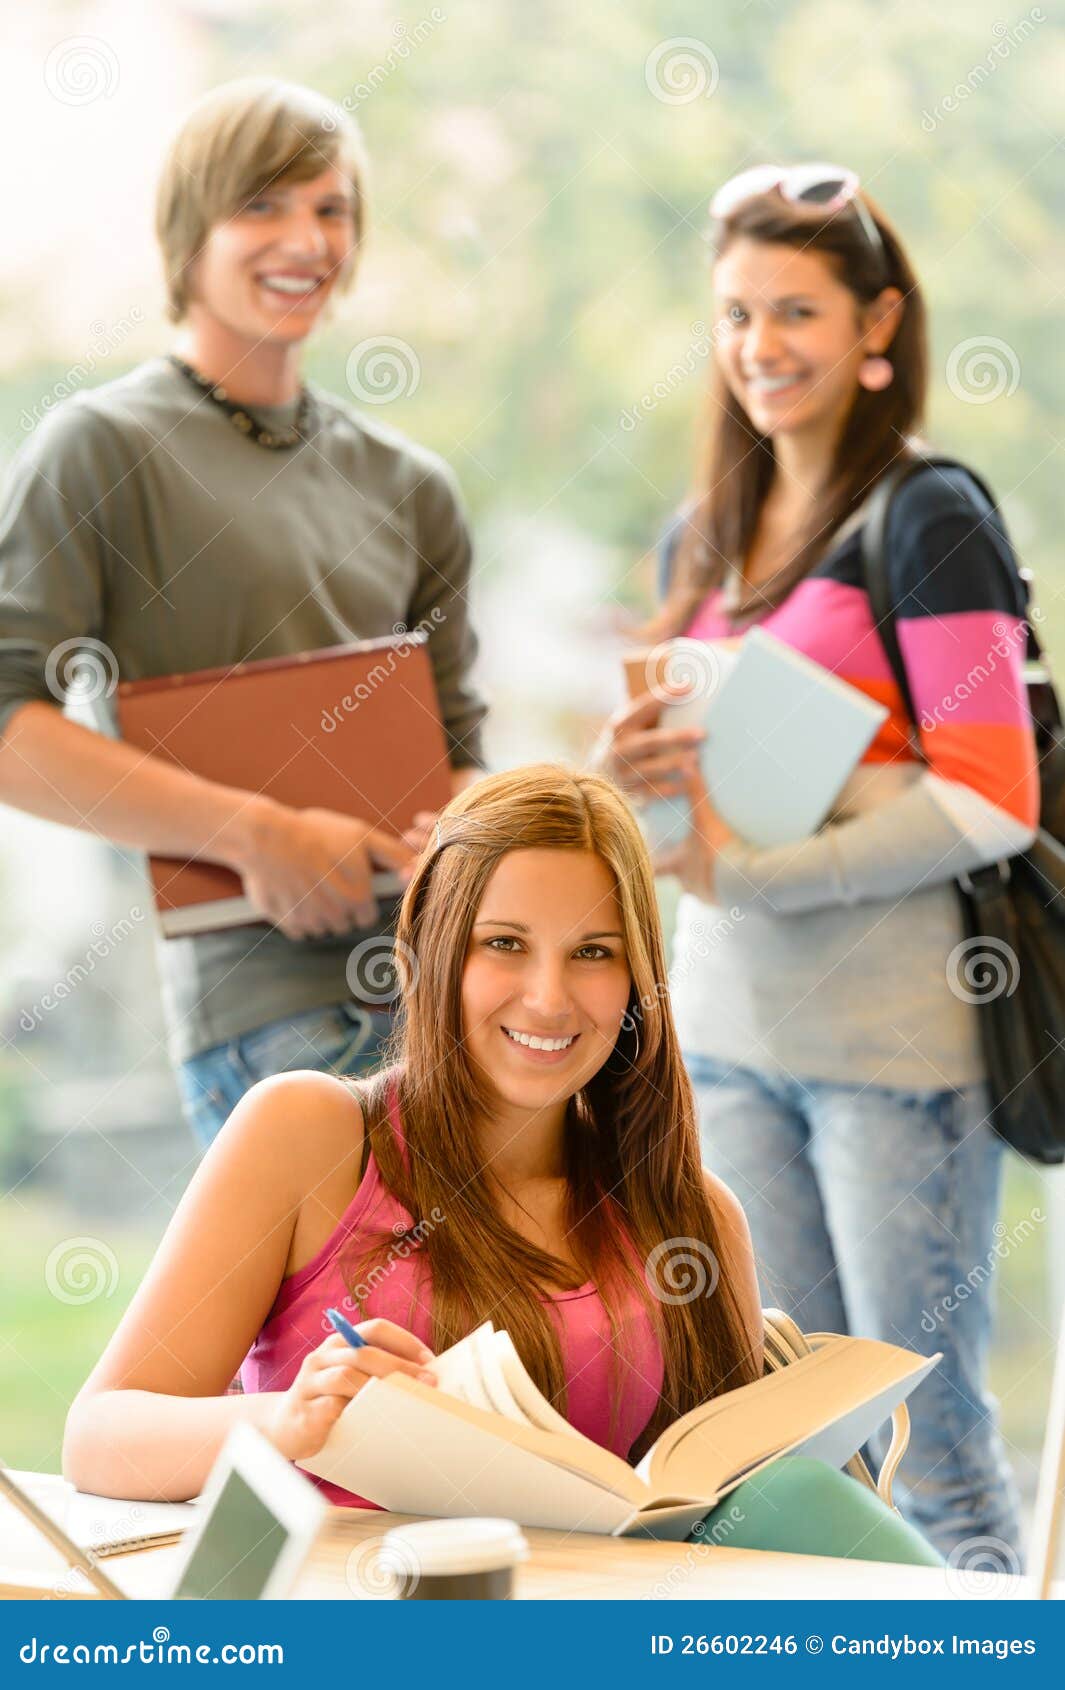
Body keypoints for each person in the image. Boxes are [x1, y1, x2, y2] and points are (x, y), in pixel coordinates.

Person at [599, 164, 1038, 1560]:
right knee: (790, 1448)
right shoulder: (702, 536)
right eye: (736, 313)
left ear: (878, 325)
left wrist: (756, 869)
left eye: (797, 309)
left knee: (933, 1440)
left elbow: (994, 795)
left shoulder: (935, 520)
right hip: (726, 1045)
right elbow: (704, 819)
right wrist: (642, 787)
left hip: (892, 1062)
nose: (760, 344)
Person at [61, 765, 764, 1512]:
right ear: (427, 952)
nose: (549, 998)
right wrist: (286, 1419)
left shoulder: (693, 1217)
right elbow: (100, 1438)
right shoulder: (306, 1134)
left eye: (593, 952)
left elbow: (738, 1505)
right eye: (503, 943)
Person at [0, 78, 487, 1147]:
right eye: (262, 206)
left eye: (330, 207)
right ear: (190, 234)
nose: (305, 237)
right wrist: (253, 832)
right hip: (270, 1013)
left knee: (482, 1319)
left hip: (451, 992)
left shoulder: (410, 482)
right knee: (338, 1319)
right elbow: (8, 731)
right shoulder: (101, 449)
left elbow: (461, 752)